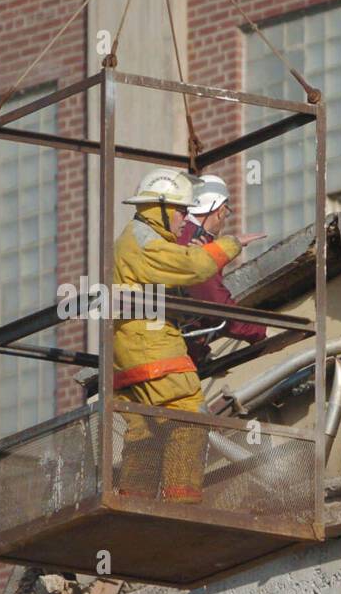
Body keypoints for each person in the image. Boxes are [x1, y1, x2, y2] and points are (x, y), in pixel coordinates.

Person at [110, 167, 265, 503]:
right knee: (190, 418)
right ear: (161, 208)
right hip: (154, 351)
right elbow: (193, 268)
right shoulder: (145, 241)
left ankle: (135, 502)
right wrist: (231, 244)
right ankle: (182, 502)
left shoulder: (135, 239)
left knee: (143, 434)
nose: (185, 218)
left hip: (128, 356)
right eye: (181, 210)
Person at [175, 173, 268, 365]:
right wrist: (259, 332)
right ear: (220, 210)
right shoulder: (191, 240)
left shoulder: (179, 236)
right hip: (172, 355)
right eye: (227, 213)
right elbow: (214, 302)